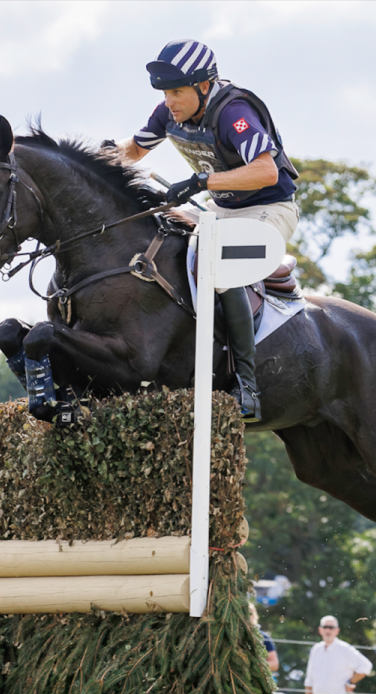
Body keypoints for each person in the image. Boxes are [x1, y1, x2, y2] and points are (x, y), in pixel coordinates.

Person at [115, 39, 300, 424]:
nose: (170, 101)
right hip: (222, 209)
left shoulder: (233, 111)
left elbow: (267, 171)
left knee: (219, 264)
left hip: (269, 208)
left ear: (203, 86)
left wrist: (203, 180)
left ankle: (247, 384)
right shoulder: (169, 113)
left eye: (177, 91)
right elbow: (132, 151)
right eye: (166, 92)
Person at [302, 615, 373, 694]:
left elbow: (366, 666)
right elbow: (310, 679)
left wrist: (350, 681)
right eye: (325, 627)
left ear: (337, 630)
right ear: (320, 630)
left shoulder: (344, 649)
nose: (328, 630)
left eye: (331, 627)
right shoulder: (316, 649)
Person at [246, 602, 279, 673]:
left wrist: (255, 666)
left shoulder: (263, 637)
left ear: (254, 616)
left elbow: (274, 664)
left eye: (250, 614)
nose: (248, 618)